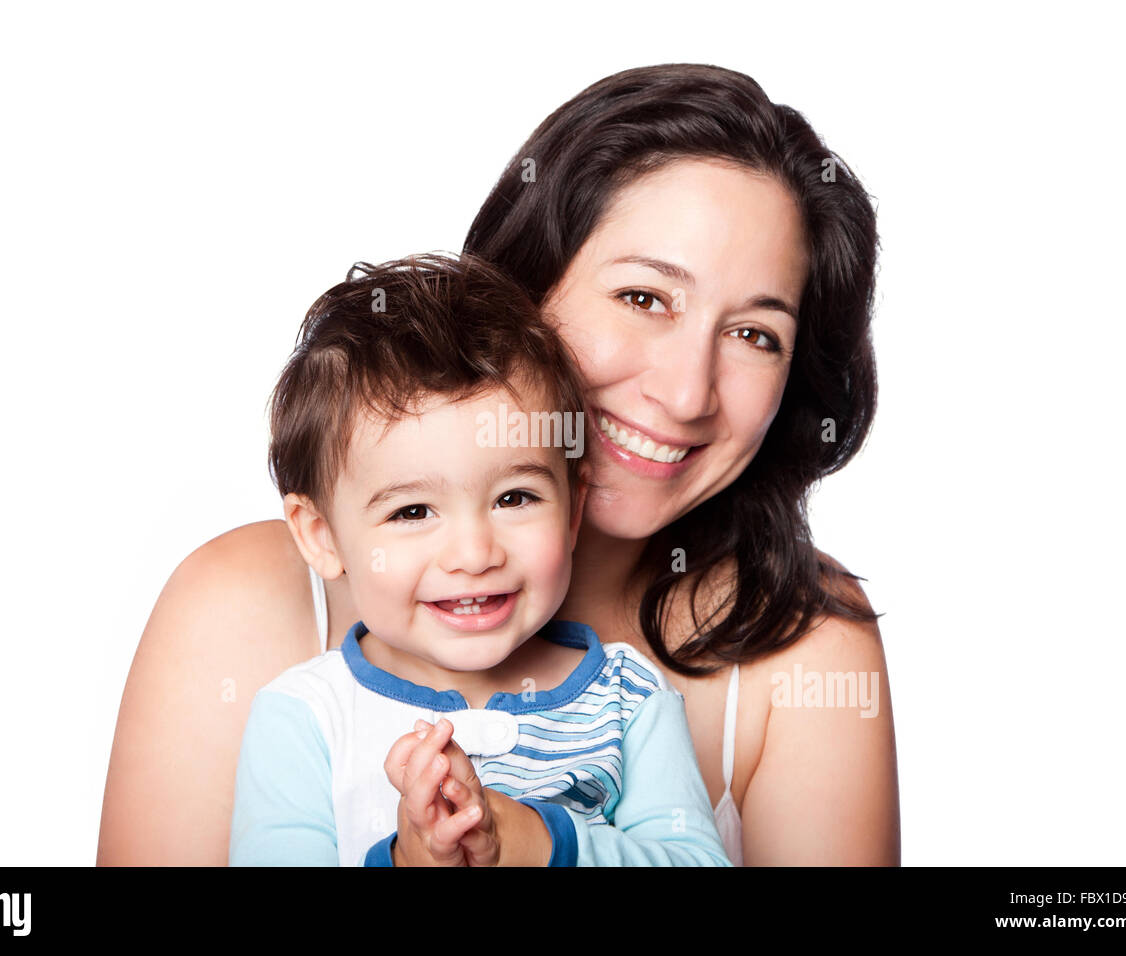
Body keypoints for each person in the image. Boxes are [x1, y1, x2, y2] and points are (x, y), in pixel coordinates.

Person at [98, 63, 899, 866]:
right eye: (644, 298)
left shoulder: (803, 644)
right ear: (523, 284)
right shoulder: (242, 609)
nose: (688, 394)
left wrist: (536, 839)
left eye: (756, 335)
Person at [228, 254, 732, 866]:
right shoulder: (305, 718)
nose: (473, 555)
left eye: (514, 498)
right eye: (412, 512)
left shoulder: (628, 699)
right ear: (322, 537)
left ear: (573, 509)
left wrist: (537, 843)